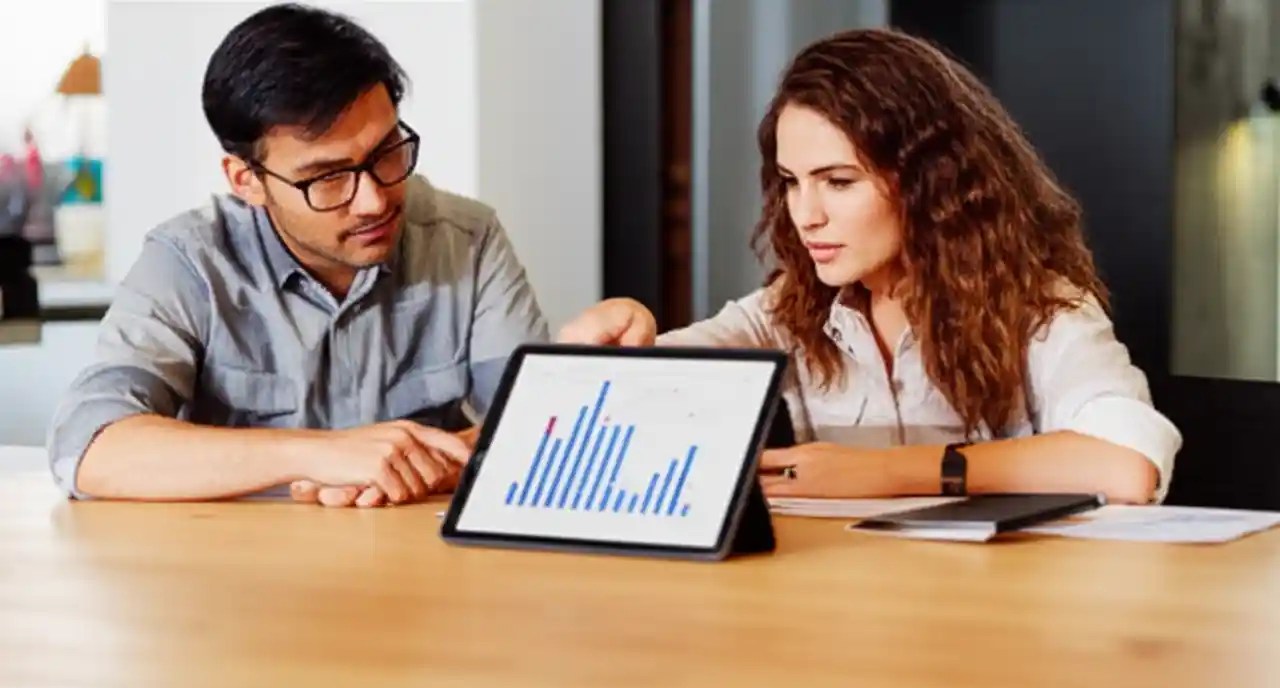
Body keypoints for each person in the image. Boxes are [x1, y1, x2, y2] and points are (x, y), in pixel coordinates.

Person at [46, 3, 641, 508]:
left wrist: (421, 461)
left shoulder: (468, 239)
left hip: (423, 584)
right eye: (326, 178)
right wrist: (324, 454)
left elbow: (537, 433)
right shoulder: (190, 262)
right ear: (245, 179)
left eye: (386, 152)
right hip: (236, 592)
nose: (373, 199)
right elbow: (90, 445)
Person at [559, 28, 1181, 504]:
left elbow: (1127, 462)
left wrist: (880, 472)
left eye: (837, 181)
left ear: (928, 183)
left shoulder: (1043, 308)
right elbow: (631, 393)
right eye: (790, 183)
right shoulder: (791, 309)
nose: (806, 216)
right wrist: (616, 340)